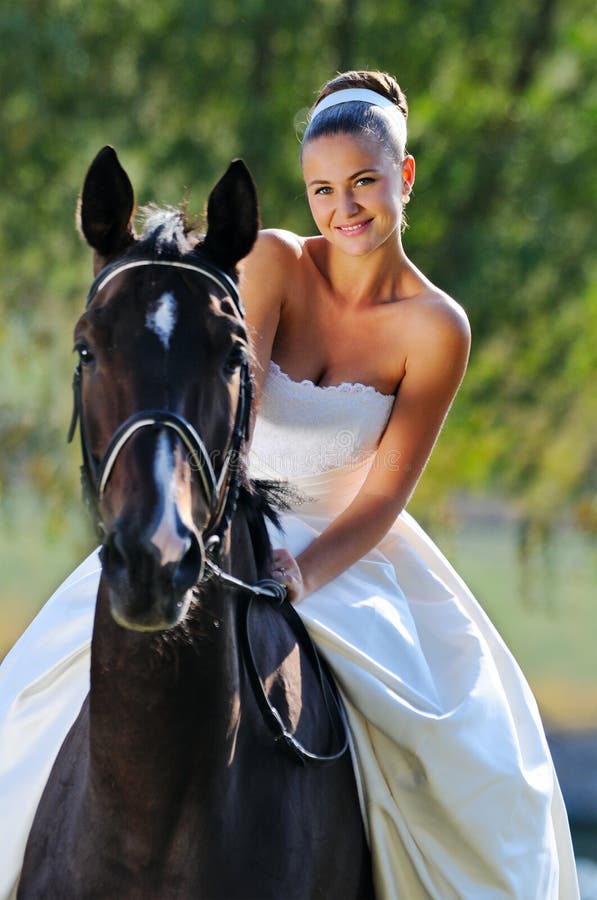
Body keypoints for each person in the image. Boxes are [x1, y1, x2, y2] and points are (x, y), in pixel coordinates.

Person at [0, 71, 579, 899]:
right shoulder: (269, 258)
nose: (343, 208)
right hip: (225, 509)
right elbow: (233, 407)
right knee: (25, 704)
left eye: (363, 184)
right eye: (321, 189)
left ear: (402, 178)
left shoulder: (436, 327)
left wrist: (307, 573)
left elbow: (384, 493)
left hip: (345, 544)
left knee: (467, 766)